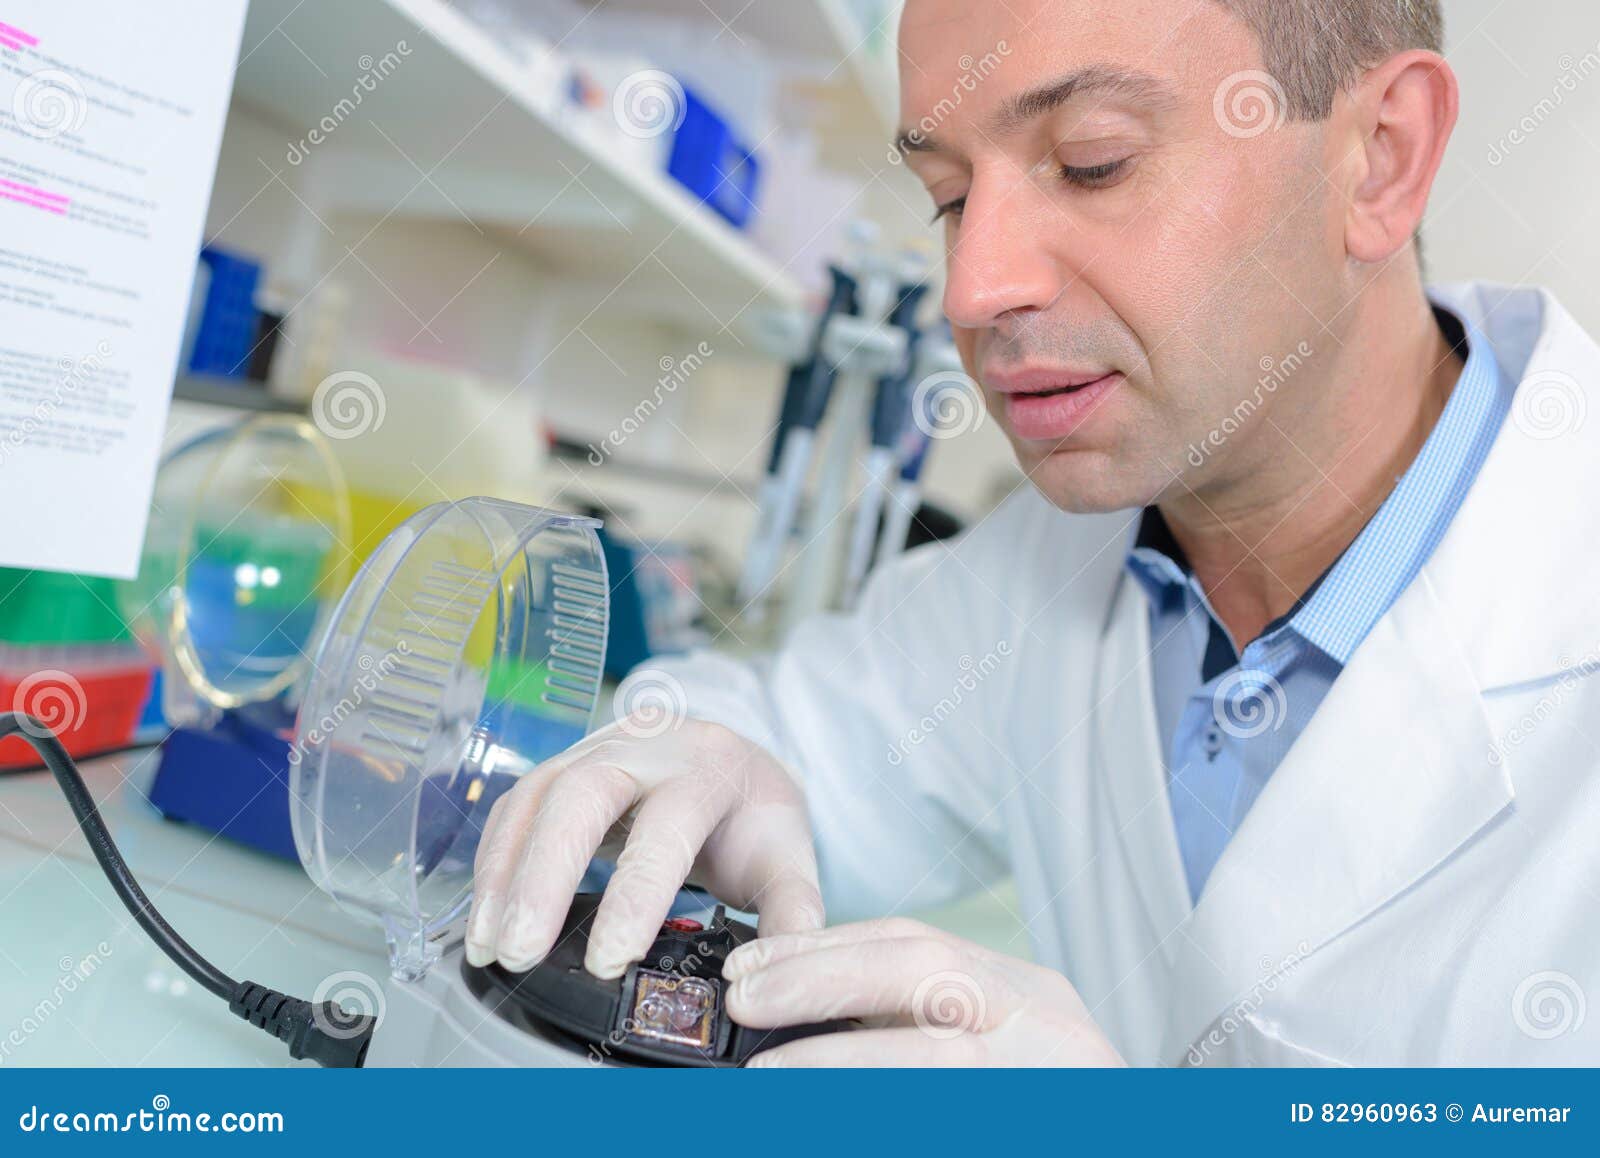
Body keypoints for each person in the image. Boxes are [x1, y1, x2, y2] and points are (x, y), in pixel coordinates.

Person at [467, 0, 1600, 1065]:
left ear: (1381, 155)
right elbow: (790, 739)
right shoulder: (1053, 572)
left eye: (1093, 160)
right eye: (950, 198)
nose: (971, 289)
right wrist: (700, 749)